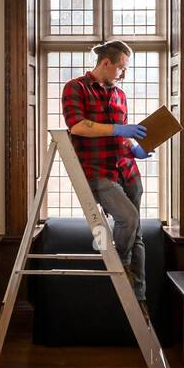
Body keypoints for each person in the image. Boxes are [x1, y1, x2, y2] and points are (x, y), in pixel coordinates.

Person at [60, 39, 152, 320]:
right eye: (121, 69)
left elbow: (120, 135)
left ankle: (139, 298)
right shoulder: (76, 88)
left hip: (127, 169)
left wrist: (134, 147)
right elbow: (77, 126)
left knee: (136, 233)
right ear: (106, 63)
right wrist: (118, 128)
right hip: (97, 171)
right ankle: (120, 264)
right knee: (129, 219)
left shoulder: (120, 95)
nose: (124, 75)